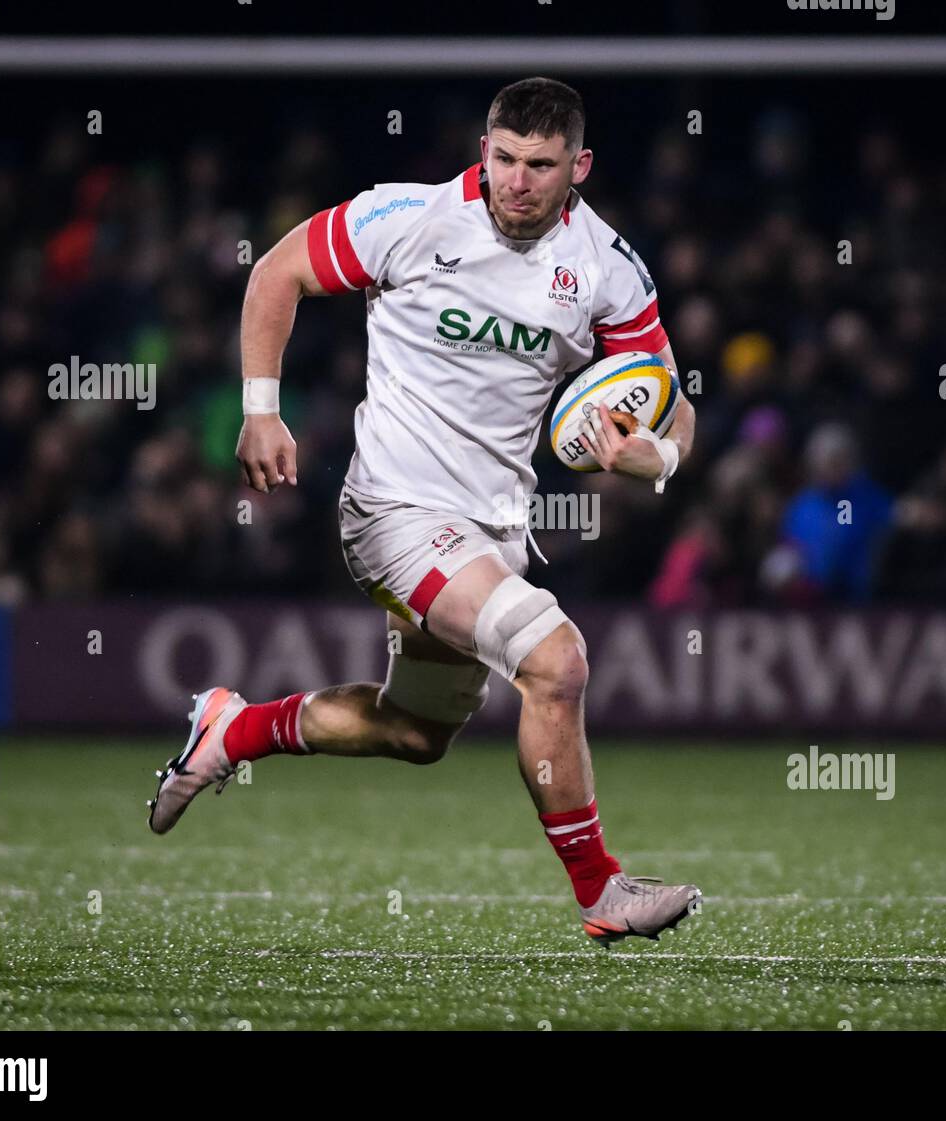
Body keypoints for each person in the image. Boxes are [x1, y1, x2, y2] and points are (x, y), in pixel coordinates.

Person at [147, 77, 701, 946]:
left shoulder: (607, 268)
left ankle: (232, 726)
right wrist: (261, 408)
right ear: (485, 148)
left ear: (579, 167)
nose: (517, 182)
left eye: (541, 166)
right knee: (556, 662)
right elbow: (277, 272)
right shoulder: (405, 217)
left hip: (491, 533)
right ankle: (602, 891)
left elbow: (674, 404)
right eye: (505, 158)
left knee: (414, 732)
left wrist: (654, 455)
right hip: (393, 510)